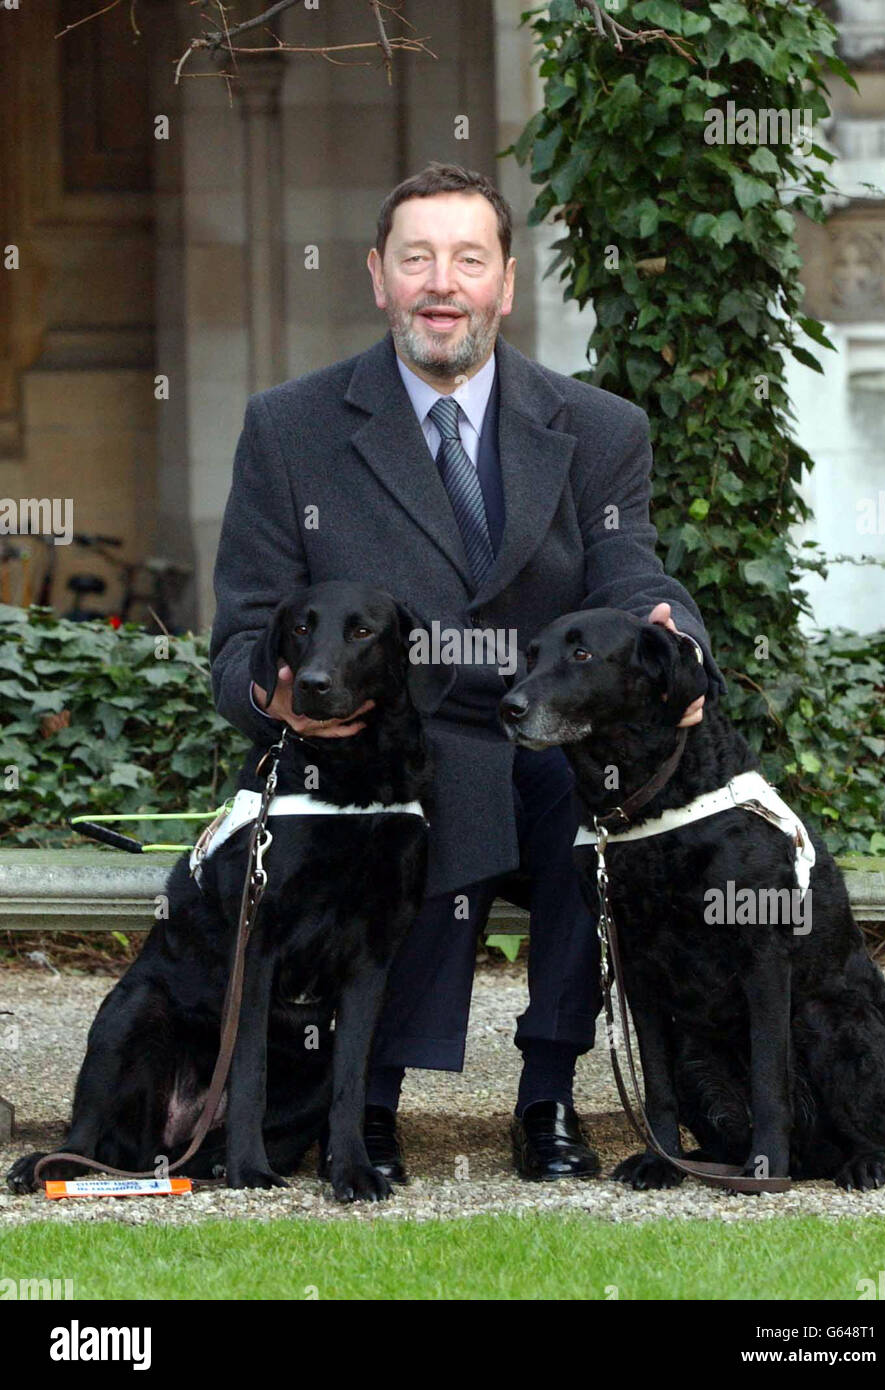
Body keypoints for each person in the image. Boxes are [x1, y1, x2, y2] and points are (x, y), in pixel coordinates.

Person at [210, 162, 723, 1183]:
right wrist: (278, 703)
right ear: (376, 277)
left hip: (546, 738)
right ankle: (368, 1100)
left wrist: (676, 634)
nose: (440, 284)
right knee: (441, 787)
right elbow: (239, 639)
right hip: (382, 750)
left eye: (466, 260)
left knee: (587, 794)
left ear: (504, 282)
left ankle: (548, 1098)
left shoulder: (599, 429)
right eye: (416, 260)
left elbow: (630, 570)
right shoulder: (290, 428)